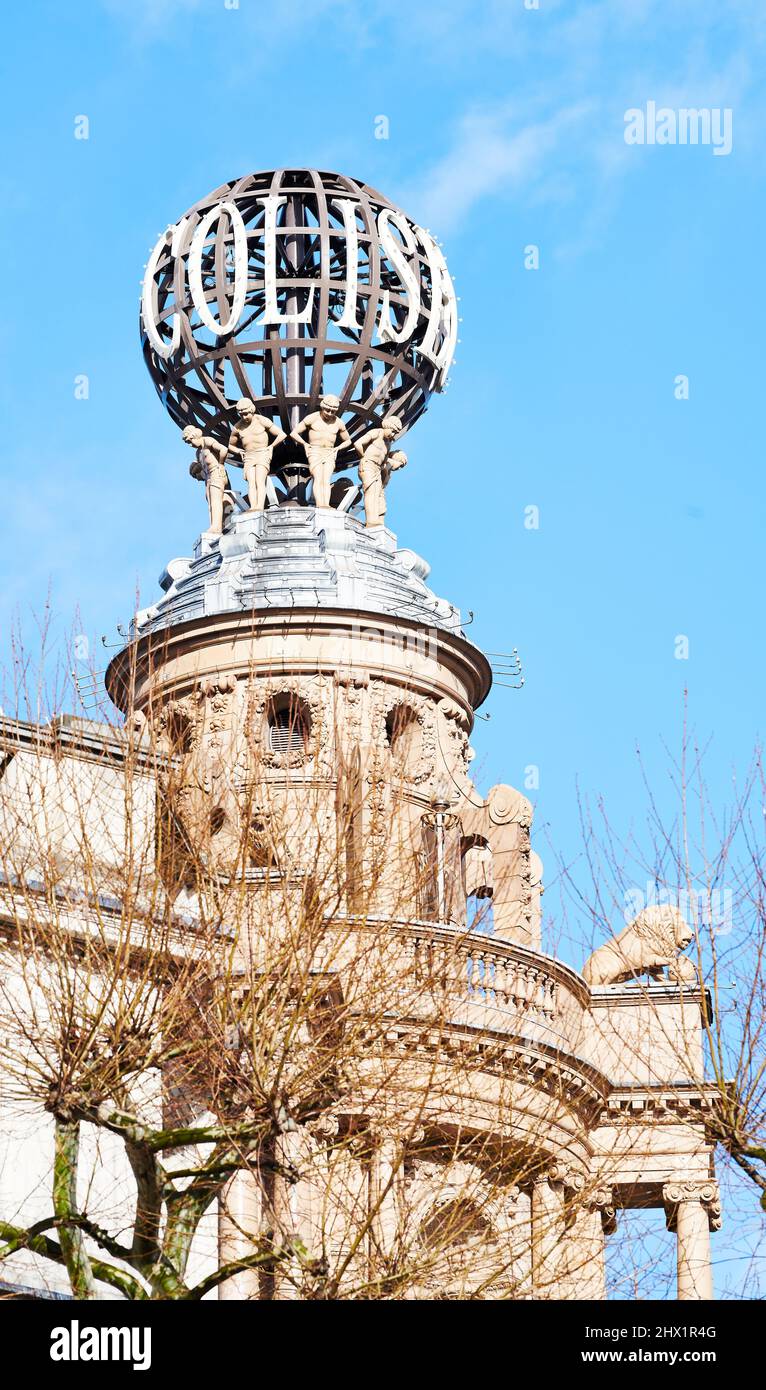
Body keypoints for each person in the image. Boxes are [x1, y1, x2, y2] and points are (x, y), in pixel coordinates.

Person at [291, 394, 361, 508]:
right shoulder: (312, 418)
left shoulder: (338, 422)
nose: (329, 413)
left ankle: (325, 505)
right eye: (327, 410)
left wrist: (337, 448)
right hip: (315, 451)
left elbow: (348, 441)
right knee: (318, 477)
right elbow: (294, 433)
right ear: (322, 407)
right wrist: (305, 444)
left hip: (329, 452)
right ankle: (320, 504)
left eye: (333, 411)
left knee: (326, 479)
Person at [228, 397, 286, 512]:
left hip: (262, 454)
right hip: (249, 456)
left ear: (251, 410)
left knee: (260, 480)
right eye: (241, 415)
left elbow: (281, 434)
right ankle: (253, 507)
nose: (244, 417)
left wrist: (271, 447)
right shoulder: (238, 427)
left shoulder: (261, 420)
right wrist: (239, 451)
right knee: (251, 482)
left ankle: (259, 506)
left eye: (246, 414)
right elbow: (230, 445)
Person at [356, 415, 406, 527]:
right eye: (392, 431)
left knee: (376, 495)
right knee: (370, 493)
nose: (393, 435)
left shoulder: (388, 444)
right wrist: (364, 457)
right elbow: (358, 443)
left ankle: (374, 520)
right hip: (368, 465)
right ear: (387, 426)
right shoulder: (376, 433)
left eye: (395, 433)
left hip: (377, 469)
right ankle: (371, 521)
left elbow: (384, 461)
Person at [182, 425, 231, 534]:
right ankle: (214, 525)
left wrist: (221, 464)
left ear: (194, 436)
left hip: (216, 473)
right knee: (210, 503)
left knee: (216, 500)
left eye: (190, 441)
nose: (191, 445)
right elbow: (202, 468)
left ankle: (217, 527)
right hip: (208, 478)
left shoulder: (207, 441)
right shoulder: (198, 452)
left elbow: (223, 449)